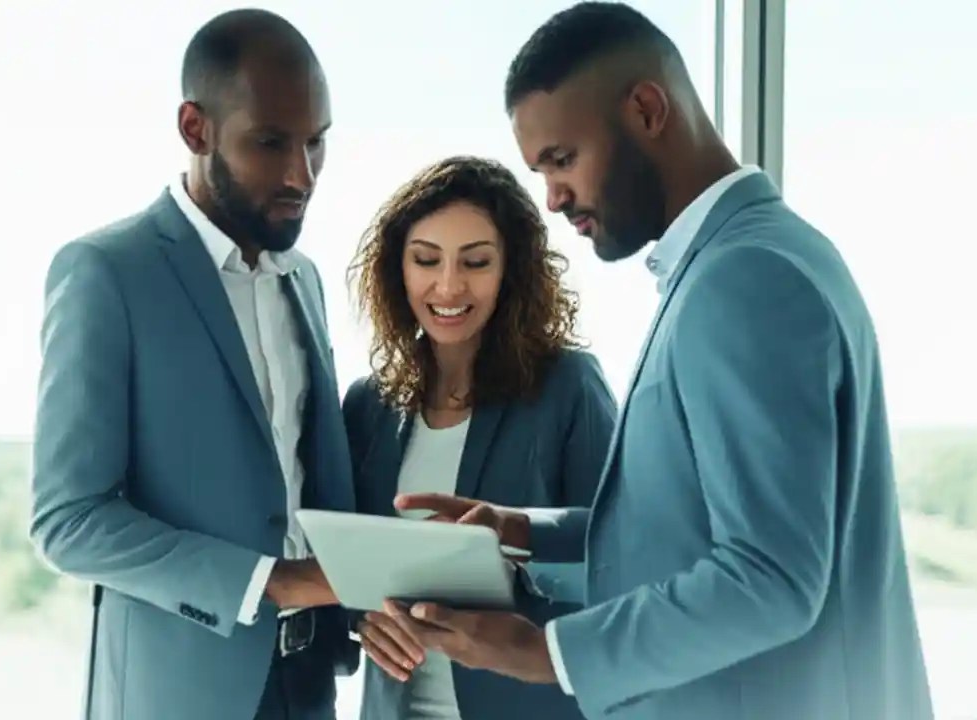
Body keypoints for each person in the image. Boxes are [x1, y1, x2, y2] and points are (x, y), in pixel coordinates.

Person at [383, 4, 935, 720]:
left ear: (646, 109)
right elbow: (690, 532)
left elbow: (768, 579)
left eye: (562, 159)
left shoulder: (742, 280)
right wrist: (521, 530)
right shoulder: (760, 256)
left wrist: (545, 654)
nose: (552, 198)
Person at [29, 9, 356, 720]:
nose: (302, 175)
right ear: (195, 128)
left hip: (309, 687)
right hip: (179, 692)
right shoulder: (106, 273)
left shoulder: (305, 280)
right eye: (271, 143)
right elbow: (69, 520)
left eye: (317, 144)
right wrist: (269, 582)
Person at [342, 155, 617, 720]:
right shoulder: (368, 406)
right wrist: (362, 621)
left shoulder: (568, 386)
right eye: (426, 260)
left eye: (476, 262)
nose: (448, 285)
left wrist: (514, 558)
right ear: (399, 269)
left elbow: (618, 556)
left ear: (509, 271)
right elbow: (349, 564)